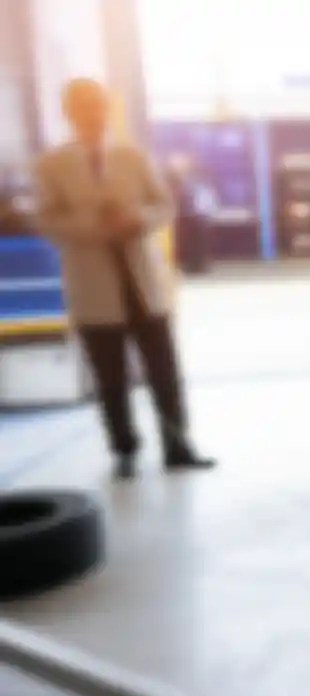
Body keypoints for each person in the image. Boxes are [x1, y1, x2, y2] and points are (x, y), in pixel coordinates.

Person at [34, 78, 215, 481]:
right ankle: (125, 449)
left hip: (142, 283)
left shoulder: (131, 156)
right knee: (109, 375)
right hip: (94, 283)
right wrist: (95, 224)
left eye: (97, 105)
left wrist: (136, 220)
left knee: (163, 370)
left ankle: (178, 445)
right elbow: (47, 220)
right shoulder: (52, 164)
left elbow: (163, 204)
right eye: (82, 107)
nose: (92, 114)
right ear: (69, 113)